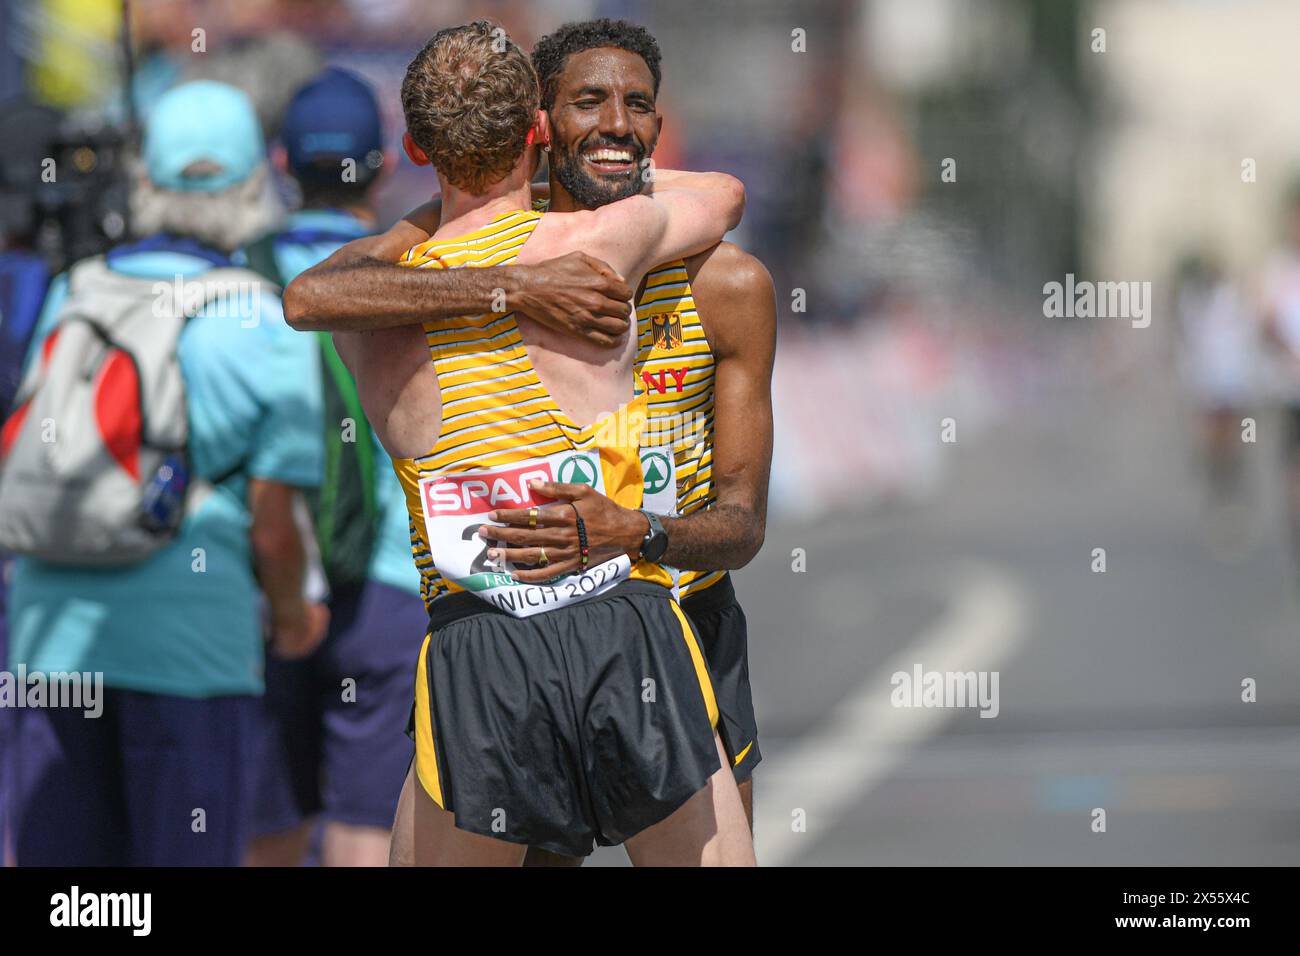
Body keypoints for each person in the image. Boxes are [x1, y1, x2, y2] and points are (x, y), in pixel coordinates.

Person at [285, 19, 777, 866]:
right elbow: (724, 193)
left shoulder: (368, 304)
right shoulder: (595, 251)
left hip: (476, 641)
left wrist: (477, 275)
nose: (618, 122)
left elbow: (309, 296)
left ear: (411, 146)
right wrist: (516, 284)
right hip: (622, 625)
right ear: (539, 131)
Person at [2, 81, 327, 866]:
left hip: (49, 645)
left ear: (144, 182)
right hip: (191, 651)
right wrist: (293, 616)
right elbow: (273, 518)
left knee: (73, 899)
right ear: (257, 184)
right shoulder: (268, 318)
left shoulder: (76, 290)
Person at [240, 67, 425, 868]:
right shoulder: (413, 276)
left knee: (269, 824)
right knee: (362, 824)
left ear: (281, 165)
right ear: (385, 167)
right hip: (387, 584)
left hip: (260, 578)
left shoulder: (233, 275)